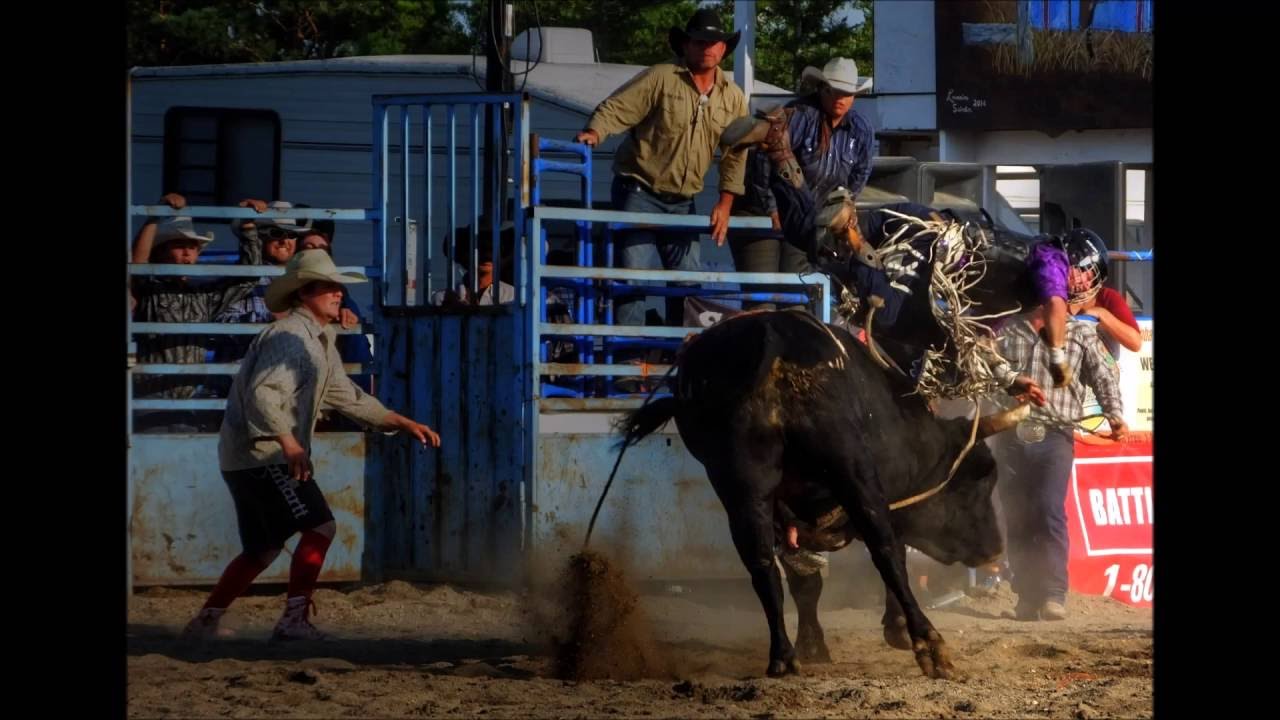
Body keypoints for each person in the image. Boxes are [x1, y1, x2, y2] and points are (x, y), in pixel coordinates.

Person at [181, 249, 442, 642]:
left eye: (338, 288)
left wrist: (399, 421)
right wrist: (288, 442)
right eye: (328, 288)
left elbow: (345, 395)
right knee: (319, 525)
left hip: (246, 455)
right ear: (304, 294)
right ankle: (293, 620)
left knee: (263, 547)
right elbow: (263, 394)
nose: (337, 294)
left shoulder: (319, 338)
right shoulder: (290, 336)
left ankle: (206, 620)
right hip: (264, 452)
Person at [574, 7, 749, 329]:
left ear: (724, 49)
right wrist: (596, 131)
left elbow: (736, 153)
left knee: (687, 283)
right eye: (699, 41)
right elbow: (619, 107)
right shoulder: (661, 77)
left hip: (684, 200)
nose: (707, 48)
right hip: (639, 189)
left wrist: (725, 203)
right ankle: (630, 362)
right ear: (685, 45)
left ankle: (678, 355)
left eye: (714, 42)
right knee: (633, 279)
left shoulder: (733, 97)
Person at [995, 306, 1127, 621]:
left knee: (1049, 508)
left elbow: (1103, 375)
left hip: (1055, 436)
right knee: (1017, 515)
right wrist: (1010, 381)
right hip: (1010, 435)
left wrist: (1116, 416)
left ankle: (1054, 594)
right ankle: (1026, 597)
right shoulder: (1006, 329)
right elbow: (987, 368)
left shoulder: (1080, 333)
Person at [729, 57, 876, 309]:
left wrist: (841, 207)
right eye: (833, 91)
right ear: (822, 89)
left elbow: (860, 174)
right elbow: (764, 162)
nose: (840, 98)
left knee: (795, 301)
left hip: (807, 222)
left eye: (847, 93)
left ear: (854, 97)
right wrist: (772, 208)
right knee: (761, 303)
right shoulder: (798, 117)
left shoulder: (860, 130)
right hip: (765, 213)